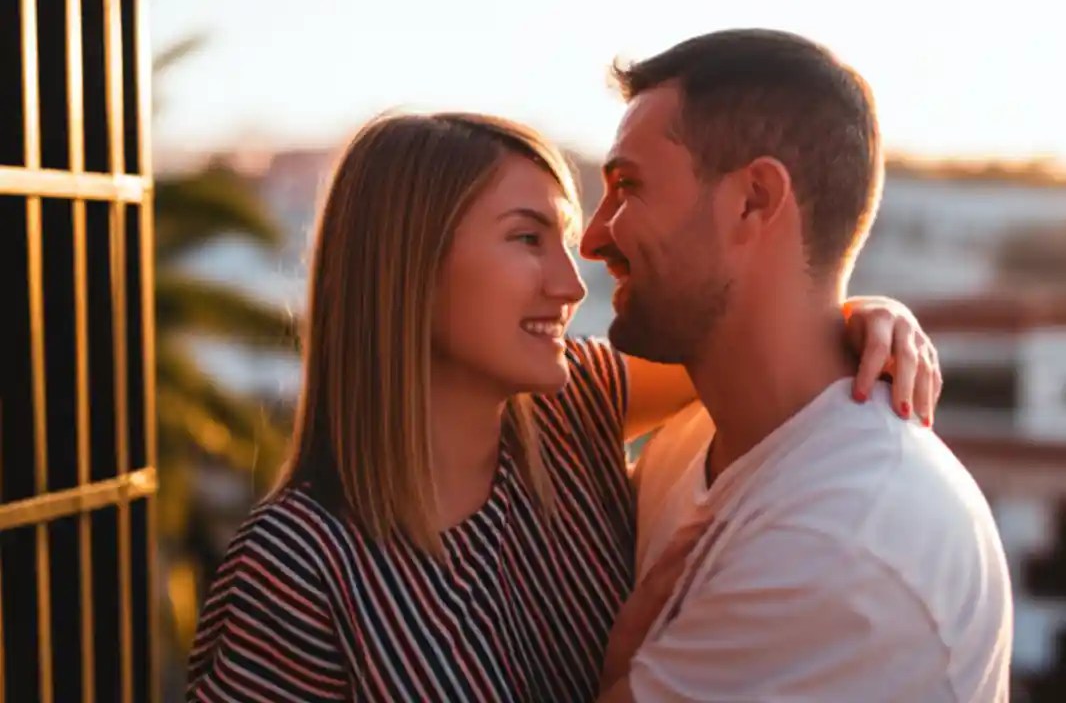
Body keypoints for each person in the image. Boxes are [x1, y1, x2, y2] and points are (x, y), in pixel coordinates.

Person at [185, 111, 940, 702]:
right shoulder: (296, 566)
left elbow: (762, 342)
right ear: (406, 265)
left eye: (566, 241)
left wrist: (865, 315)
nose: (572, 285)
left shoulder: (573, 407)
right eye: (526, 238)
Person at [583, 30, 1013, 702]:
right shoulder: (692, 441)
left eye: (629, 187)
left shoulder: (840, 539)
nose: (592, 237)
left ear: (753, 199)